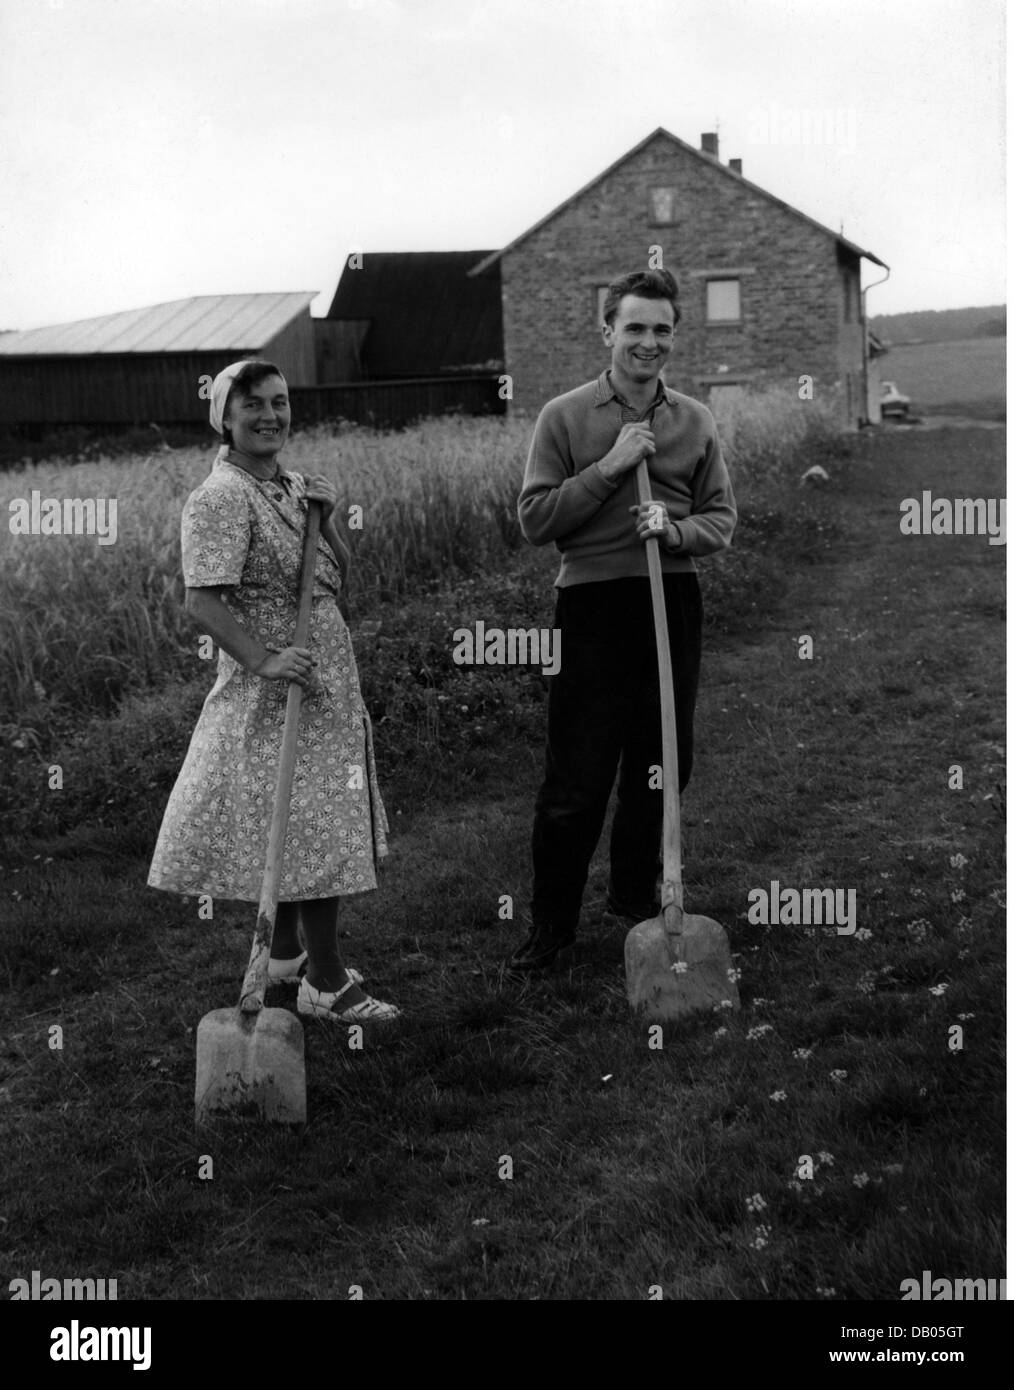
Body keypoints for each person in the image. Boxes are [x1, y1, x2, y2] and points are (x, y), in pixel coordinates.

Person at [148, 358, 400, 1022]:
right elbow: (202, 600)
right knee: (315, 822)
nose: (270, 416)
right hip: (277, 685)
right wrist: (264, 660)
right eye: (253, 405)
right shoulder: (221, 496)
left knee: (292, 821)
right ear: (225, 418)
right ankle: (326, 981)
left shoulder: (288, 485)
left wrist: (327, 517)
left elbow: (332, 578)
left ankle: (285, 952)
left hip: (322, 675)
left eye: (280, 403)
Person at [510, 268, 737, 972]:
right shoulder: (564, 416)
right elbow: (536, 520)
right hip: (594, 603)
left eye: (661, 329)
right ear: (607, 331)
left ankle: (637, 898)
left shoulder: (694, 419)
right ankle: (552, 927)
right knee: (578, 772)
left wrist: (674, 531)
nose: (648, 341)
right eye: (634, 327)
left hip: (670, 598)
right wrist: (610, 467)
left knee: (662, 761)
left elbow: (721, 519)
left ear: (675, 336)